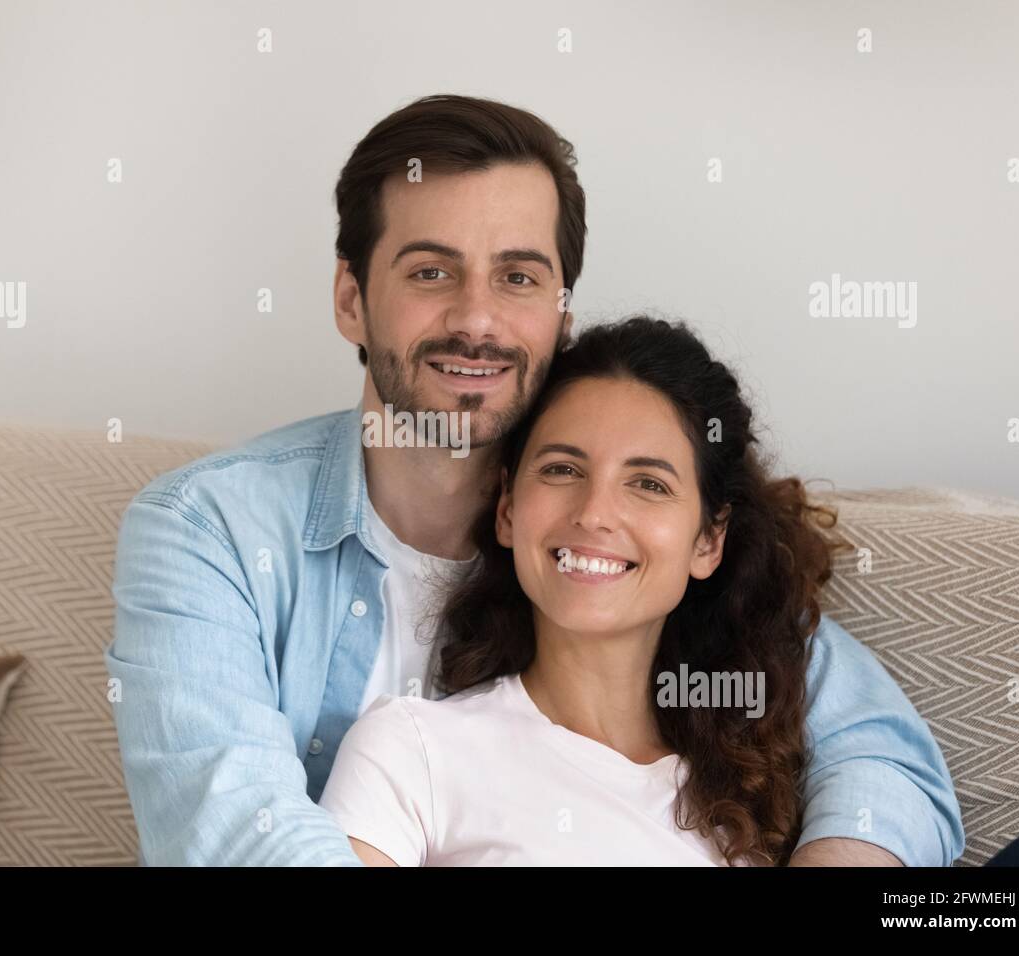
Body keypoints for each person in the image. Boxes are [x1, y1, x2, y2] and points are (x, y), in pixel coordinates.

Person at [104, 93, 963, 865]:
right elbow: (235, 835)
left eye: (518, 277)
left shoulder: (605, 540)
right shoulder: (208, 529)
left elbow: (877, 751)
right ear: (351, 300)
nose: (477, 319)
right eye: (430, 271)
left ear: (560, 313)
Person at [317, 314, 942, 866]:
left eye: (648, 484)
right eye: (562, 469)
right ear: (508, 507)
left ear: (707, 542)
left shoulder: (745, 800)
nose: (594, 513)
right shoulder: (413, 750)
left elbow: (888, 768)